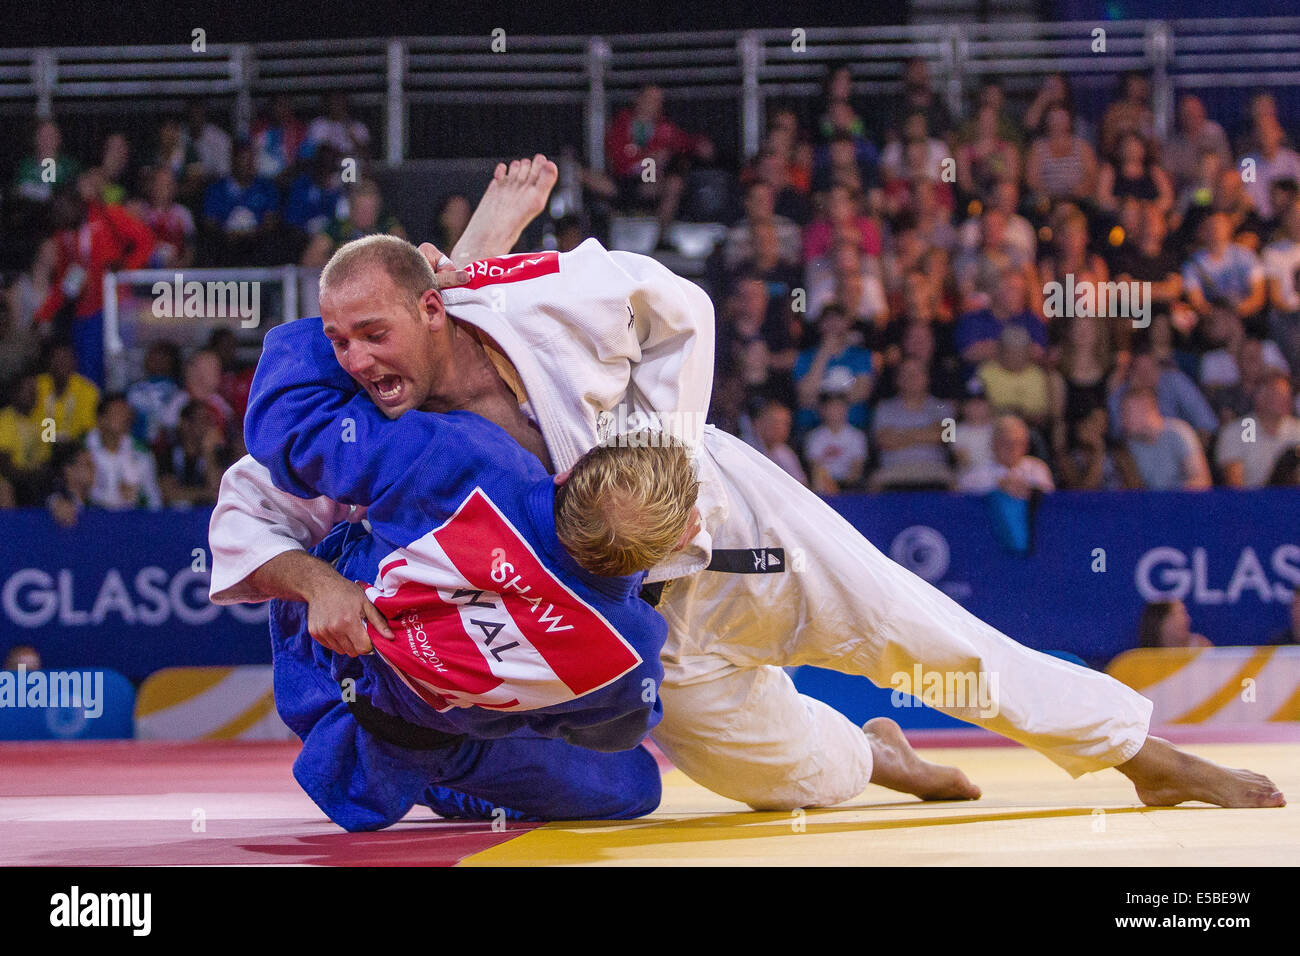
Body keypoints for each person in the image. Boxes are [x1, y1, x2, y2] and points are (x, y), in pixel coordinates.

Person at [210, 155, 1285, 813]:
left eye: (373, 332)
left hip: (724, 515)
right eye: (335, 340)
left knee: (927, 639)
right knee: (787, 778)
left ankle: (1142, 754)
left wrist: (672, 445)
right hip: (643, 638)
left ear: (434, 307)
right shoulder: (355, 428)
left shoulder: (534, 298)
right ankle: (872, 755)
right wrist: (312, 582)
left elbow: (681, 302)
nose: (355, 360)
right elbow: (247, 505)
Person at [238, 298, 695, 830]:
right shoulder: (630, 652)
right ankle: (452, 773)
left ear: (568, 472)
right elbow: (614, 730)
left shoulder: (468, 458)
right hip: (390, 708)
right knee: (635, 785)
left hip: (321, 644)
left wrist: (345, 332)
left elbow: (292, 428)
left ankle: (438, 761)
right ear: (664, 552)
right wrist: (518, 690)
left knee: (629, 783)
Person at [1115, 388, 1212, 491]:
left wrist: (1169, 499)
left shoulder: (1179, 432)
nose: (1123, 420)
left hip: (1184, 503)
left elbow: (1202, 481)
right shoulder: (1126, 446)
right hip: (1148, 505)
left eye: (1127, 412)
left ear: (1146, 410)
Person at [1138, 601, 1212, 649]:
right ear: (1163, 622)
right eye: (1181, 613)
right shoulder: (1139, 662)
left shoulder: (1200, 648)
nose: (1188, 619)